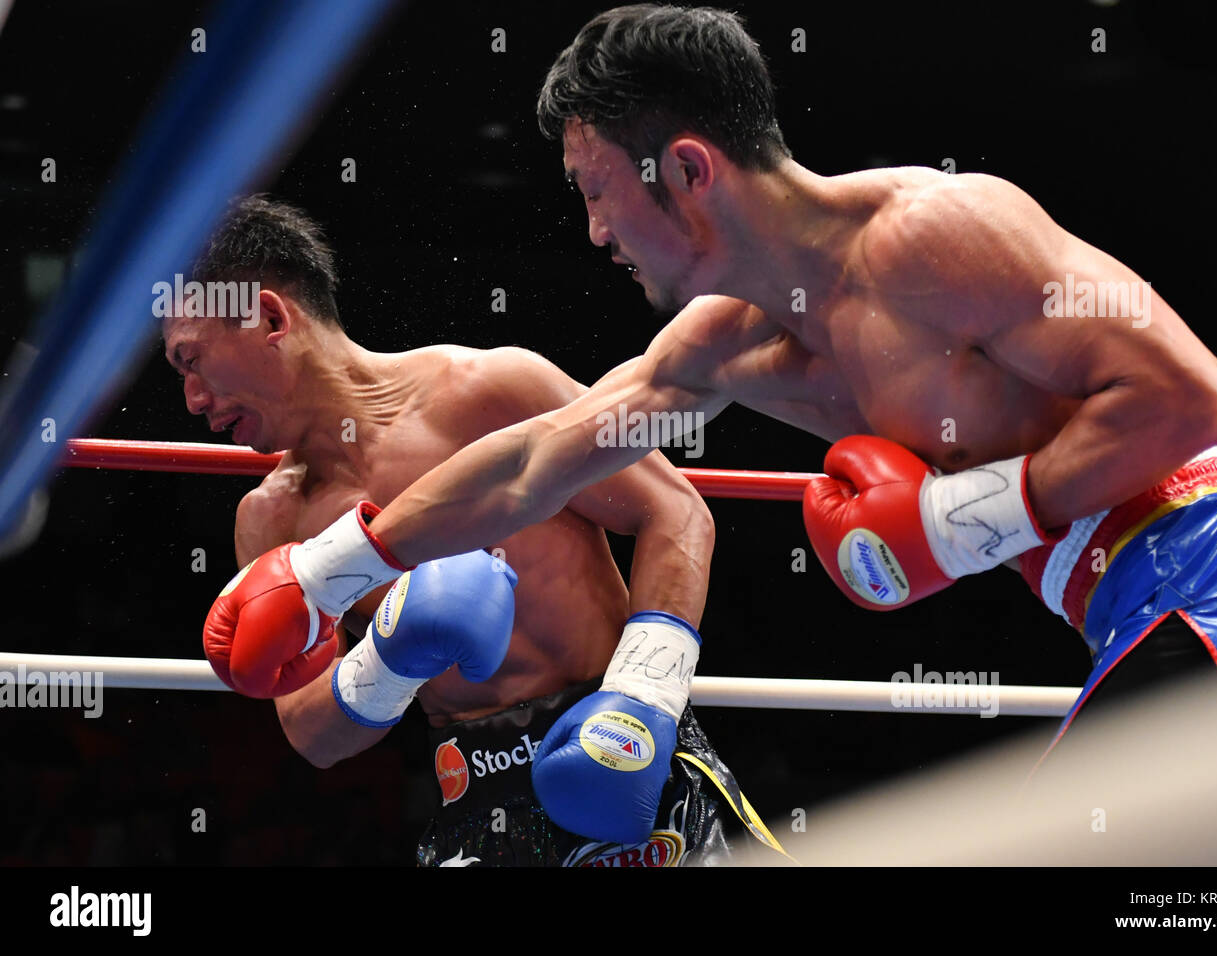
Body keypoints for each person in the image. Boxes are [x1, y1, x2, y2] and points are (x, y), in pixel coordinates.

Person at [210, 3, 1217, 780]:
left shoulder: (933, 234)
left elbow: (1193, 400)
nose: (592, 234)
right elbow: (539, 460)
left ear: (687, 172)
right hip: (1129, 616)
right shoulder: (726, 345)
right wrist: (331, 566)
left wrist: (956, 525)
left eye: (596, 193)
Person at [172, 195, 785, 866]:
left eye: (192, 361)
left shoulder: (491, 389)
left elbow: (674, 510)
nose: (192, 400)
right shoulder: (270, 520)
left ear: (266, 316)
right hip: (479, 806)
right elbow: (310, 734)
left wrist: (642, 700)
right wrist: (389, 655)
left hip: (631, 749)